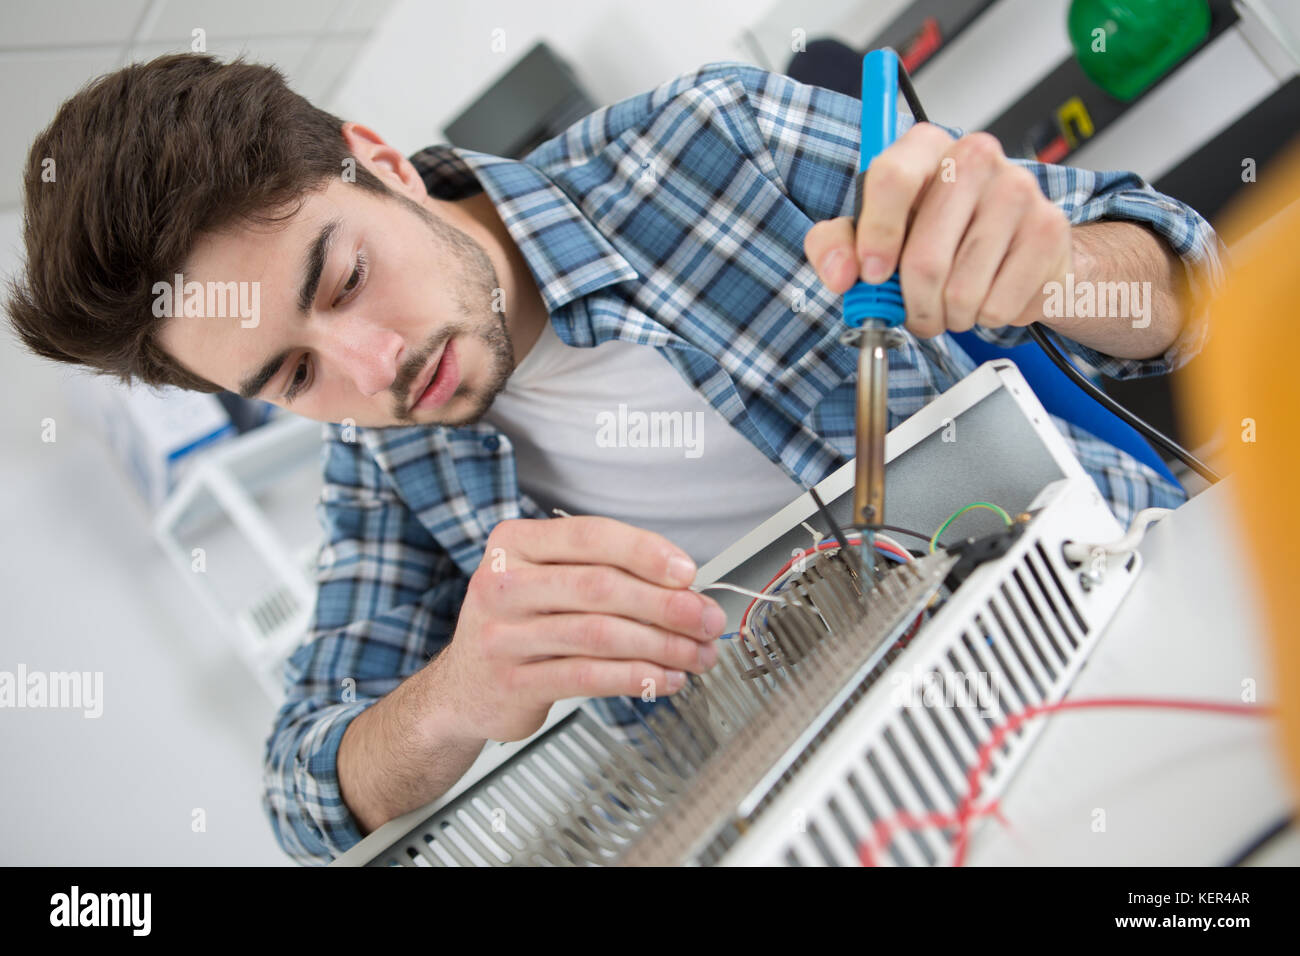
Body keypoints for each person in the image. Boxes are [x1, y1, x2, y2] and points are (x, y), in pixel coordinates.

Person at [6, 54, 1224, 864]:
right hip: (883, 812)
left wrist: (1053, 263)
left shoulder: (710, 144)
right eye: (292, 376)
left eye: (343, 278)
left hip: (1143, 638)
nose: (371, 367)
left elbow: (1180, 276)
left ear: (375, 158)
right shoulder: (384, 469)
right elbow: (305, 800)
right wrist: (457, 694)